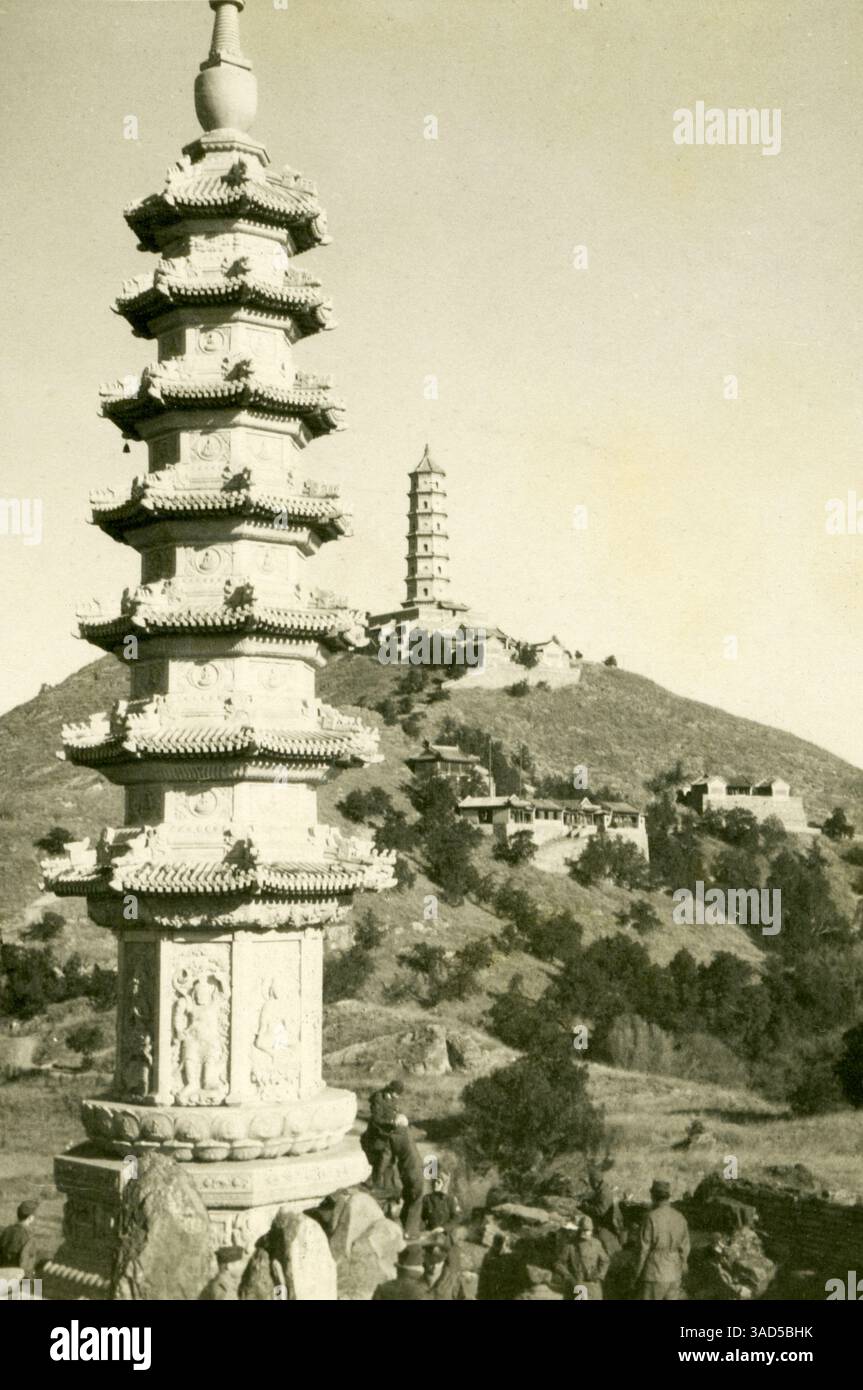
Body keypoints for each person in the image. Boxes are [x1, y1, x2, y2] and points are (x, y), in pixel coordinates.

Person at [634, 1178, 690, 1300]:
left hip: (654, 1274)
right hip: (674, 1274)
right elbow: (685, 1248)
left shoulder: (650, 1217)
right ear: (668, 1196)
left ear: (653, 1196)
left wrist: (635, 1275)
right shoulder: (680, 1217)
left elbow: (642, 1251)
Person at [360, 1079, 404, 1190]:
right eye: (396, 1094)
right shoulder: (378, 1098)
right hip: (376, 1134)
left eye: (398, 1095)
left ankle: (388, 1185)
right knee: (385, 1156)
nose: (397, 1097)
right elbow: (376, 1119)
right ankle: (375, 1181)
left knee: (390, 1159)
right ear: (390, 1090)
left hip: (387, 1132)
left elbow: (394, 1112)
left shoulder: (392, 1098)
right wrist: (392, 1122)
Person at [554, 1216, 610, 1300]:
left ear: (591, 1231)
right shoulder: (571, 1244)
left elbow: (605, 1260)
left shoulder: (596, 1244)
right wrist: (569, 1277)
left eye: (586, 1230)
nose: (583, 1233)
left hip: (593, 1285)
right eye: (582, 1230)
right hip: (577, 1284)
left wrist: (600, 1274)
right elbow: (558, 1264)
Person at [390, 1114, 425, 1238]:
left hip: (405, 1172)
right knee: (416, 1199)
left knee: (410, 1198)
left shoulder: (395, 1136)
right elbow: (421, 1133)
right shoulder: (406, 1134)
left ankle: (404, 1224)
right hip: (415, 1171)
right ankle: (410, 1232)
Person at [0, 1201, 38, 1274]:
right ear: (30, 1217)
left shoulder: (6, 1231)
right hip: (18, 1276)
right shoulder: (29, 1236)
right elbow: (25, 1262)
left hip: (2, 1274)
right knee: (38, 1283)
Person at [422, 1170, 461, 1239]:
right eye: (434, 1181)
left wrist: (443, 1228)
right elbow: (422, 1217)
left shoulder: (450, 1199)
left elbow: (456, 1218)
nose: (435, 1184)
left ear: (444, 1184)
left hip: (445, 1234)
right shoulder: (427, 1198)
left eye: (438, 1182)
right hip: (430, 1233)